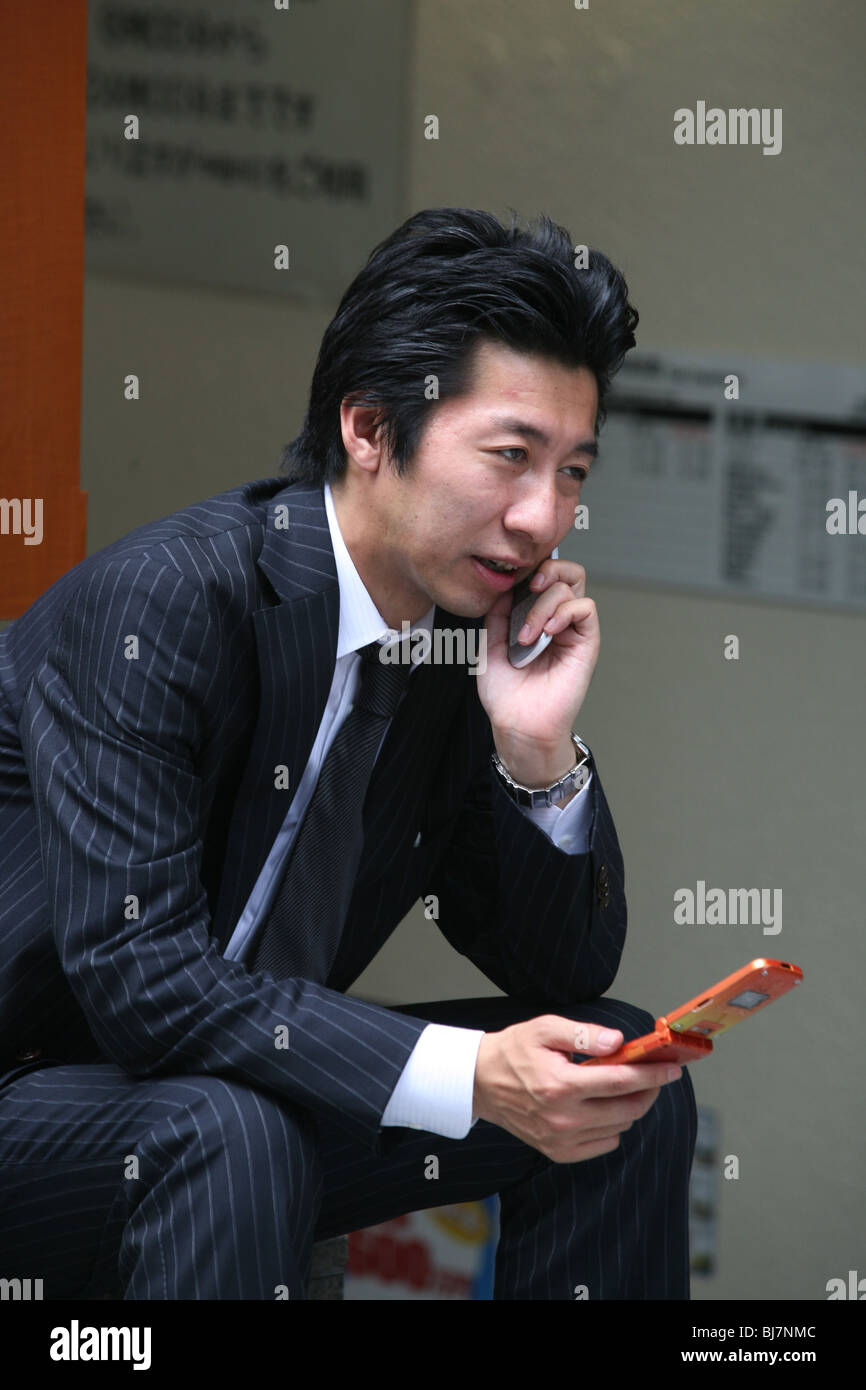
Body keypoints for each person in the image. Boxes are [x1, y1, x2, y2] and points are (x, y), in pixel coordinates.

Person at [0, 206, 696, 1300]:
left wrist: (532, 747)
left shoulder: (456, 643)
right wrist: (470, 1073)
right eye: (510, 456)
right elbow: (141, 980)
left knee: (615, 1068)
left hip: (232, 1097)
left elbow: (560, 971)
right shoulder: (172, 597)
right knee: (229, 1129)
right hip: (39, 1102)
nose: (539, 518)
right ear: (370, 430)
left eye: (571, 472)